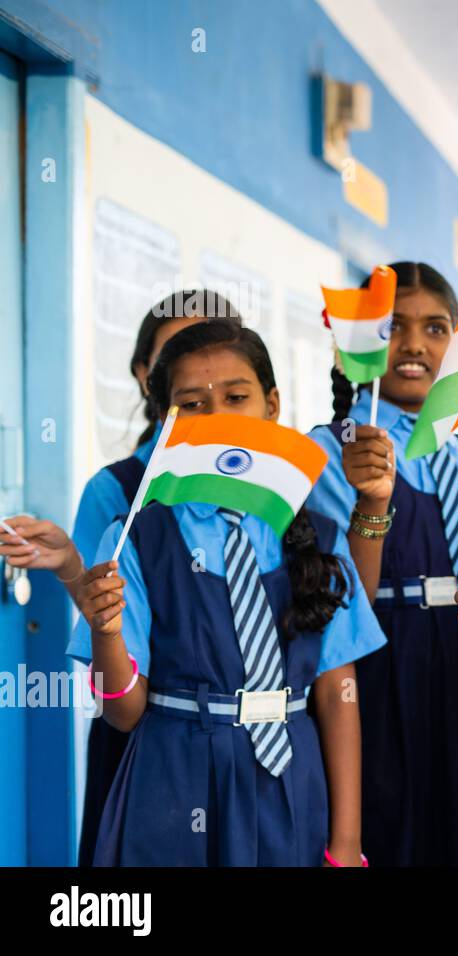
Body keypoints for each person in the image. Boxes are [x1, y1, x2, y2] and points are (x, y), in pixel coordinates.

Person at [1, 319, 384, 865]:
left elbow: (337, 693)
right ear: (165, 421)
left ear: (272, 405)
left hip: (291, 782)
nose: (219, 418)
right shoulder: (135, 536)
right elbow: (124, 713)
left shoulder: (318, 535)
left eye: (237, 397)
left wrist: (347, 844)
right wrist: (107, 632)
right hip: (174, 784)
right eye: (193, 403)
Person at [307, 262, 458, 865]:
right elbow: (337, 590)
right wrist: (369, 496)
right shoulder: (332, 447)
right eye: (394, 327)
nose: (415, 344)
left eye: (436, 327)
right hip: (373, 663)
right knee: (386, 821)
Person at [64, 289, 241, 867]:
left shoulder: (270, 496)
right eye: (177, 359)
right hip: (143, 734)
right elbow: (99, 610)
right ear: (150, 378)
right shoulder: (115, 490)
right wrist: (72, 570)